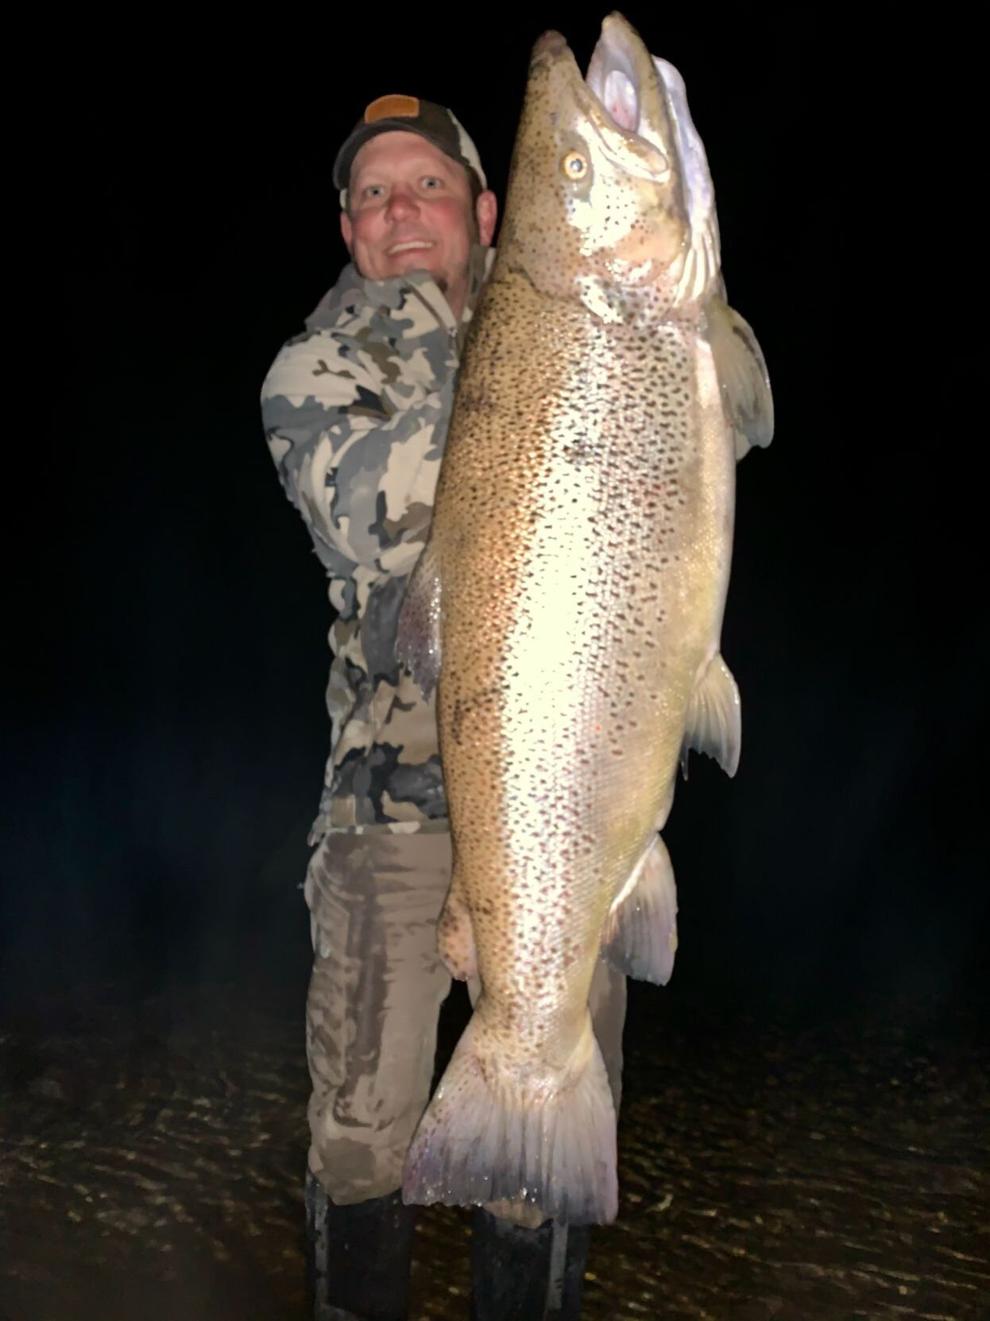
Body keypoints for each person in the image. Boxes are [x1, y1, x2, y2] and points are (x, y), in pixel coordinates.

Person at [260, 94, 627, 1321]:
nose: (395, 212)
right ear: (348, 231)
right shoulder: (316, 367)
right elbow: (403, 521)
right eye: (371, 196)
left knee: (546, 1133)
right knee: (363, 1139)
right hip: (395, 803)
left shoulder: (580, 337)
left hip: (574, 793)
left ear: (486, 212)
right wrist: (499, 337)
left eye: (425, 187)